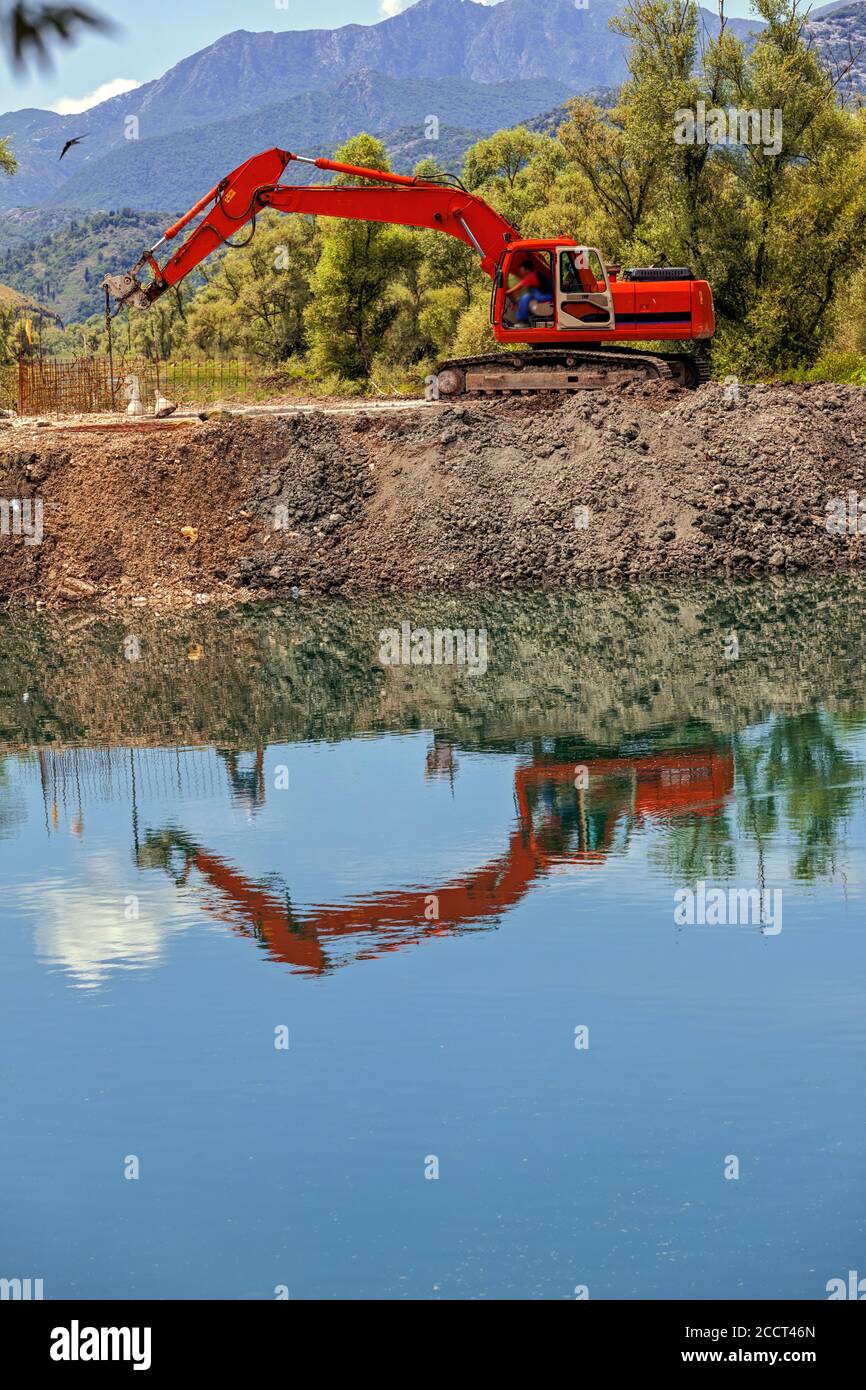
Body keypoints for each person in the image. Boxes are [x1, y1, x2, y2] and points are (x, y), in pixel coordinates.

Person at [508, 256, 554, 327]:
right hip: (545, 295)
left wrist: (505, 292)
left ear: (526, 270)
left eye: (521, 270)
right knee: (526, 297)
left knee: (526, 298)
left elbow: (517, 288)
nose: (520, 272)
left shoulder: (531, 276)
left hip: (547, 297)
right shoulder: (535, 275)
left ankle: (523, 322)